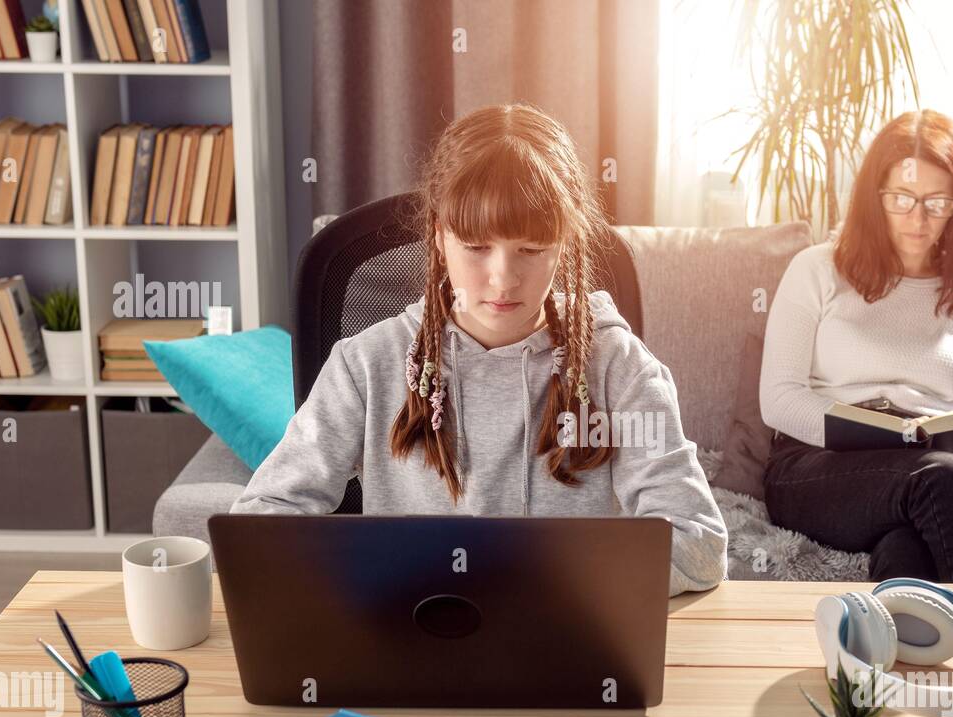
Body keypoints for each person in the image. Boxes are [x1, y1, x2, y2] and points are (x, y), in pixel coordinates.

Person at [231, 103, 727, 597]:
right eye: (476, 247)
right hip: (410, 642)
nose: (503, 278)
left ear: (566, 243)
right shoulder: (366, 364)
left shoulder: (619, 367)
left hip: (563, 648)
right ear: (440, 237)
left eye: (531, 250)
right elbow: (260, 525)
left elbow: (698, 545)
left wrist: (541, 578)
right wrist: (364, 577)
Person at [760, 110, 953, 583]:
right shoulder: (816, 270)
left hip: (933, 475)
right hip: (819, 467)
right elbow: (778, 400)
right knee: (944, 478)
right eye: (901, 198)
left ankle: (888, 654)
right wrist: (887, 437)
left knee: (907, 544)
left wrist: (932, 448)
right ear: (874, 199)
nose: (917, 219)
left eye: (937, 202)